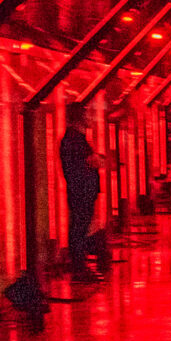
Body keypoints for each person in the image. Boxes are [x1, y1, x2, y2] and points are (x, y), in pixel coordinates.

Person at [59, 101, 105, 280]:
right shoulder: (75, 139)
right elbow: (92, 161)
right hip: (81, 191)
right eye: (86, 115)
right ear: (79, 117)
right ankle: (79, 266)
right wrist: (99, 160)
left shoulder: (73, 139)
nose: (89, 118)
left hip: (80, 191)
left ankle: (80, 263)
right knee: (79, 228)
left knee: (80, 227)